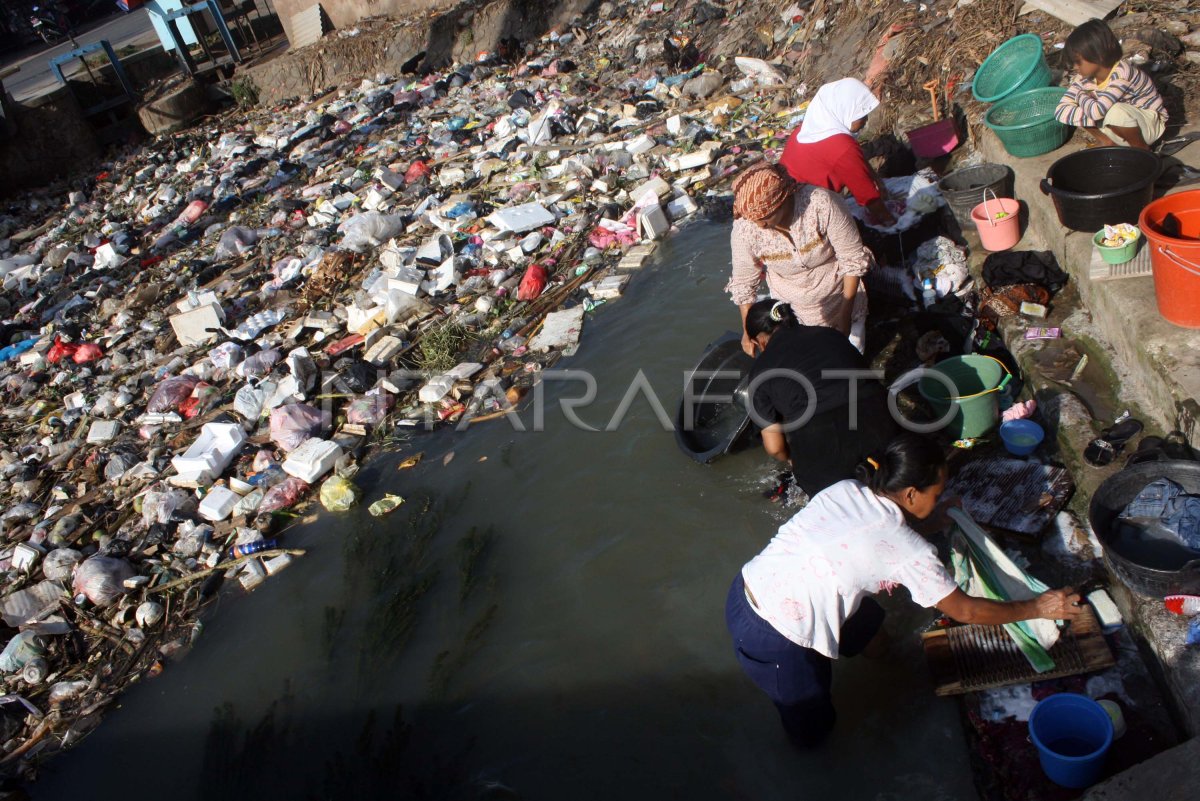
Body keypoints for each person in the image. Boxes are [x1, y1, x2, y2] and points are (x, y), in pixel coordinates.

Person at [725, 433, 1083, 748]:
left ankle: (887, 666)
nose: (942, 496)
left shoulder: (846, 489)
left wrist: (933, 519)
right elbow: (966, 611)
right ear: (911, 493)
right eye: (937, 492)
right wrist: (1037, 606)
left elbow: (870, 539)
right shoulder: (909, 551)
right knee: (812, 732)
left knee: (875, 637)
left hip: (747, 585)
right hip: (775, 634)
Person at [743, 298, 896, 498]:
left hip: (822, 442)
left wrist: (792, 459)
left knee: (838, 501)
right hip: (882, 423)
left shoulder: (759, 372)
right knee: (889, 481)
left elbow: (775, 447)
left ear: (758, 341)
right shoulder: (831, 335)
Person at [727, 162, 874, 355]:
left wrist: (844, 315)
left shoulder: (821, 204)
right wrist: (749, 332)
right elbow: (744, 284)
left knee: (850, 353)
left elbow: (852, 258)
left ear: (782, 200)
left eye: (765, 218)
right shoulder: (746, 228)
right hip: (791, 308)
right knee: (809, 357)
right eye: (754, 220)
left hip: (839, 292)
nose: (760, 225)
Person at [778, 78, 897, 227]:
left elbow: (857, 163)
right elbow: (868, 197)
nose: (865, 119)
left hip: (785, 201)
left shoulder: (804, 130)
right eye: (860, 113)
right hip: (803, 212)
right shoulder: (842, 146)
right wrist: (893, 221)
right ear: (845, 109)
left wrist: (875, 179)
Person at [1053, 18, 1167, 150]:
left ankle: (1141, 150)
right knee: (1079, 110)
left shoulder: (1123, 74)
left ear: (1099, 56)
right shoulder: (1083, 79)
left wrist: (1080, 97)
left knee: (1114, 112)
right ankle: (1107, 142)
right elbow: (1060, 111)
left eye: (1078, 62)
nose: (1075, 67)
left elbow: (1096, 112)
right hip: (1117, 126)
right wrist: (1083, 98)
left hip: (1148, 125)